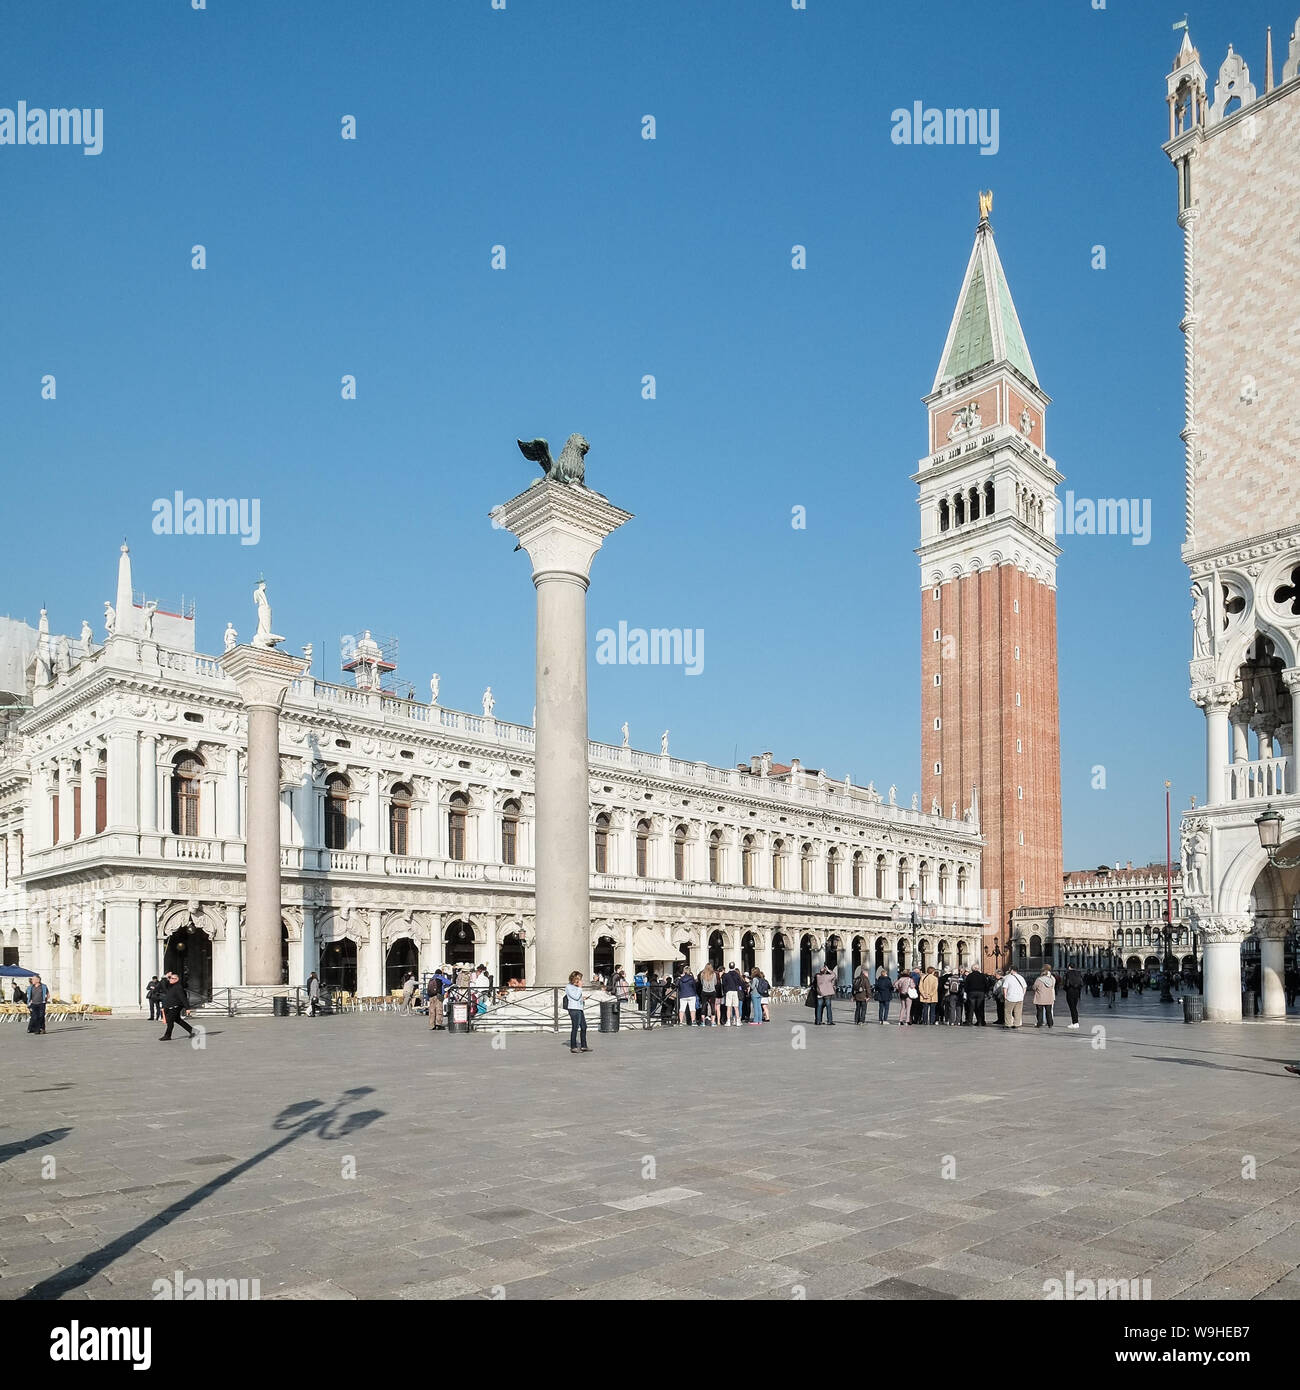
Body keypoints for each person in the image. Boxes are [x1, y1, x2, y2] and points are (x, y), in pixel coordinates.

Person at [159, 971, 194, 1041]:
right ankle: (192, 1031)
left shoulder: (178, 987)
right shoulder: (170, 986)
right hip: (170, 1006)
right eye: (170, 978)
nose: (170, 979)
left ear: (176, 979)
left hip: (175, 1006)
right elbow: (162, 984)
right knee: (178, 1020)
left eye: (172, 978)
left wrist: (187, 1008)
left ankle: (167, 1035)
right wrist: (165, 977)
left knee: (170, 1021)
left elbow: (183, 998)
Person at [564, 970, 591, 1054]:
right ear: (575, 979)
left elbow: (577, 997)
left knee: (584, 1026)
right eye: (579, 979)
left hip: (579, 1008)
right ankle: (573, 1047)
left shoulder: (576, 987)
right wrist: (579, 987)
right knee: (575, 1027)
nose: (581, 981)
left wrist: (583, 998)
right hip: (573, 1009)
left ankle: (584, 1045)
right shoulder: (569, 987)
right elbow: (575, 997)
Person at [721, 961, 744, 1026]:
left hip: (729, 991)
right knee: (736, 1007)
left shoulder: (726, 975)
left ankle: (728, 1021)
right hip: (735, 991)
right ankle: (738, 1021)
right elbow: (740, 983)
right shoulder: (737, 974)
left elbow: (724, 984)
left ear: (729, 967)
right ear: (734, 966)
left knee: (728, 1007)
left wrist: (725, 990)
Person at [1062, 964, 1083, 1029]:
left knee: (1072, 1008)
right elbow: (1081, 983)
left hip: (1070, 991)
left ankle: (1075, 1022)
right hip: (1076, 992)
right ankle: (1075, 1022)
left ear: (1069, 967)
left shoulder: (1068, 973)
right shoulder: (1079, 973)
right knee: (1074, 1007)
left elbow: (1067, 983)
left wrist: (1066, 989)